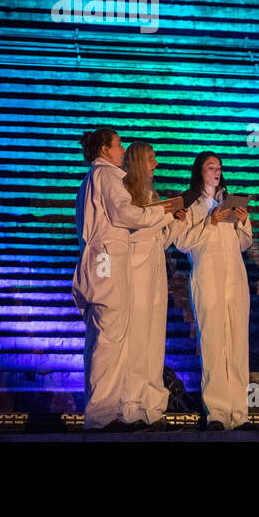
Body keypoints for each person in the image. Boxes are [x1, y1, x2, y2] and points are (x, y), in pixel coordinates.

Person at [72, 127, 180, 431]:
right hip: (106, 262)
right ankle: (102, 416)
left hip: (102, 261)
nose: (122, 150)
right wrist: (165, 213)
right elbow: (125, 214)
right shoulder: (107, 175)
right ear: (105, 150)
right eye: (118, 145)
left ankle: (106, 412)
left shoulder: (94, 178)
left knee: (106, 337)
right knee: (110, 337)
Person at [173, 151, 253, 430]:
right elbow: (182, 242)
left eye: (219, 167)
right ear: (200, 171)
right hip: (208, 279)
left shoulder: (227, 200)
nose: (216, 171)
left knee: (238, 346)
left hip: (235, 279)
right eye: (211, 167)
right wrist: (211, 223)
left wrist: (242, 221)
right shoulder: (190, 204)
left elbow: (244, 243)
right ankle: (217, 412)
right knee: (213, 344)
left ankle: (239, 413)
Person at [120, 141, 186, 430]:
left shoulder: (152, 195)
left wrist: (176, 222)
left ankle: (153, 408)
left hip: (155, 270)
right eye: (151, 159)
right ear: (138, 162)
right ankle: (131, 407)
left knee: (154, 340)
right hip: (135, 271)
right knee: (136, 340)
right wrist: (163, 215)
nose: (155, 164)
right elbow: (133, 232)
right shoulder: (125, 194)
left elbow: (159, 240)